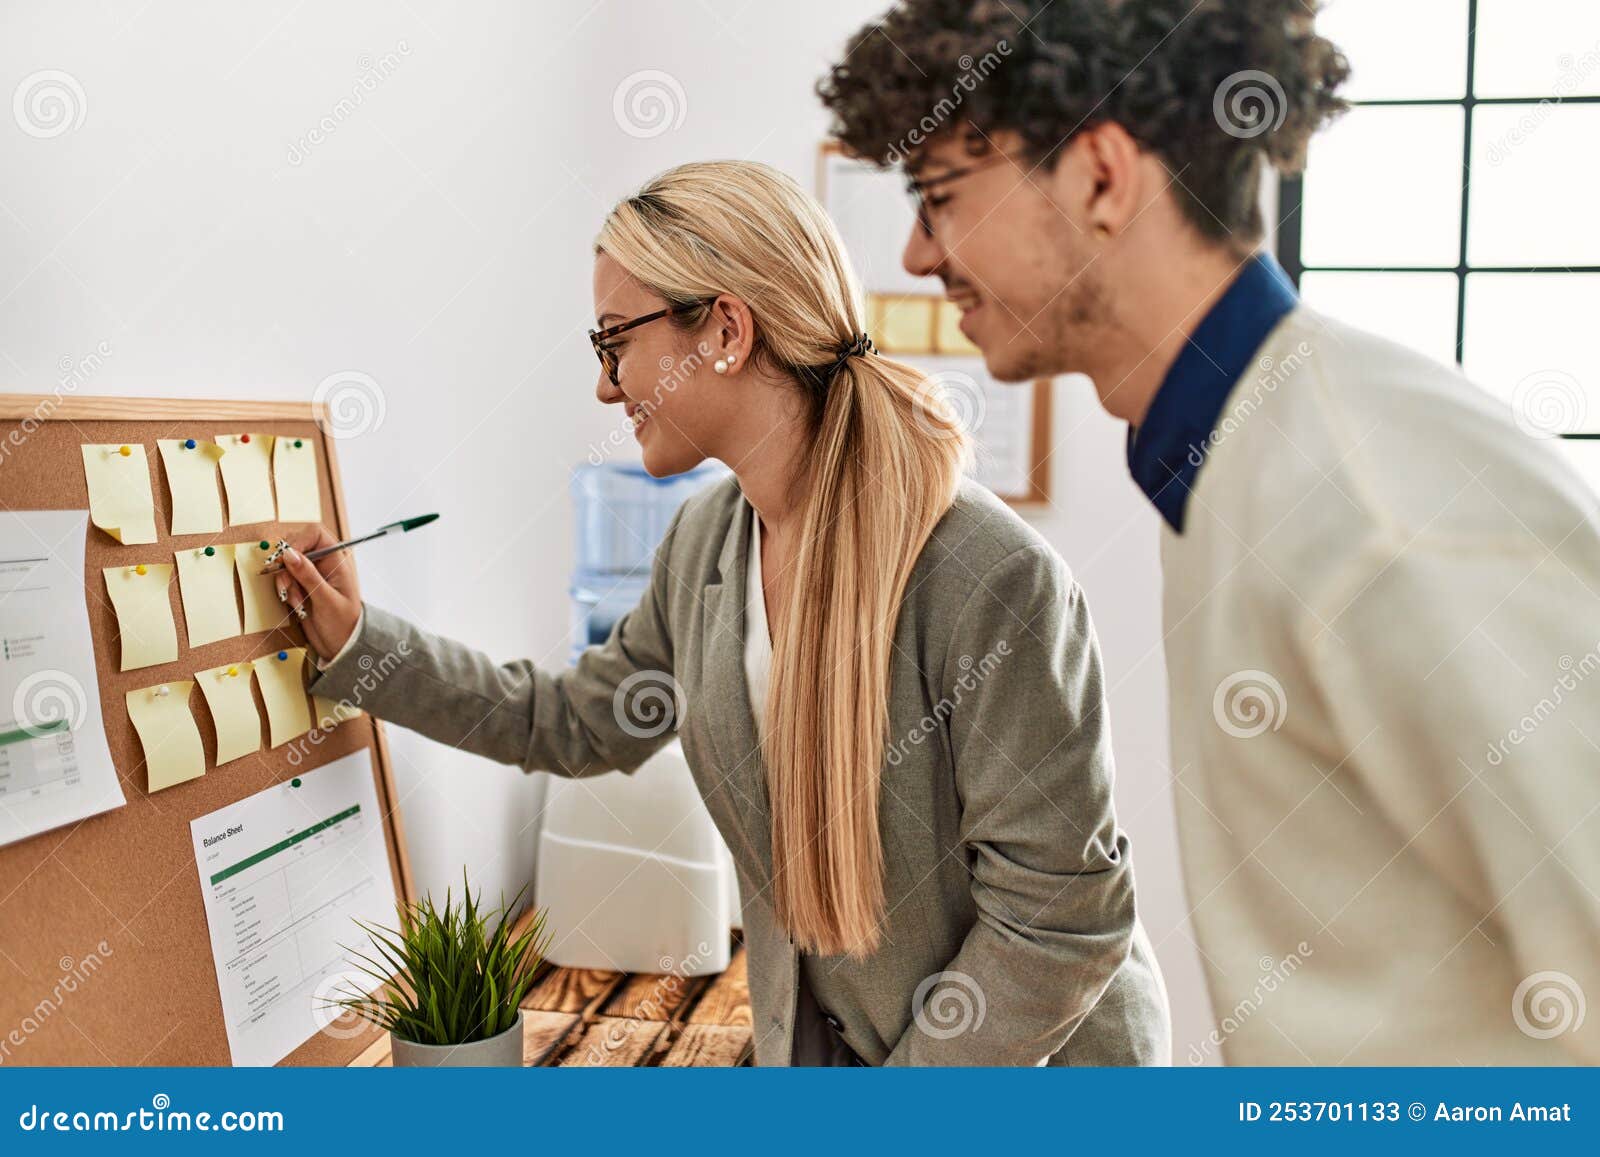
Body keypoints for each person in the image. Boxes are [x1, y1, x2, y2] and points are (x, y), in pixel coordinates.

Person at [817, 0, 1600, 1064]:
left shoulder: (1375, 508)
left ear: (1099, 175)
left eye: (939, 196)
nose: (915, 253)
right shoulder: (1228, 460)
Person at [277, 160, 1171, 1066]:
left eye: (614, 339)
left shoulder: (989, 577)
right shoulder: (707, 543)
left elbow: (1060, 919)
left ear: (727, 332)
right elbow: (572, 722)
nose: (604, 384)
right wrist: (359, 643)